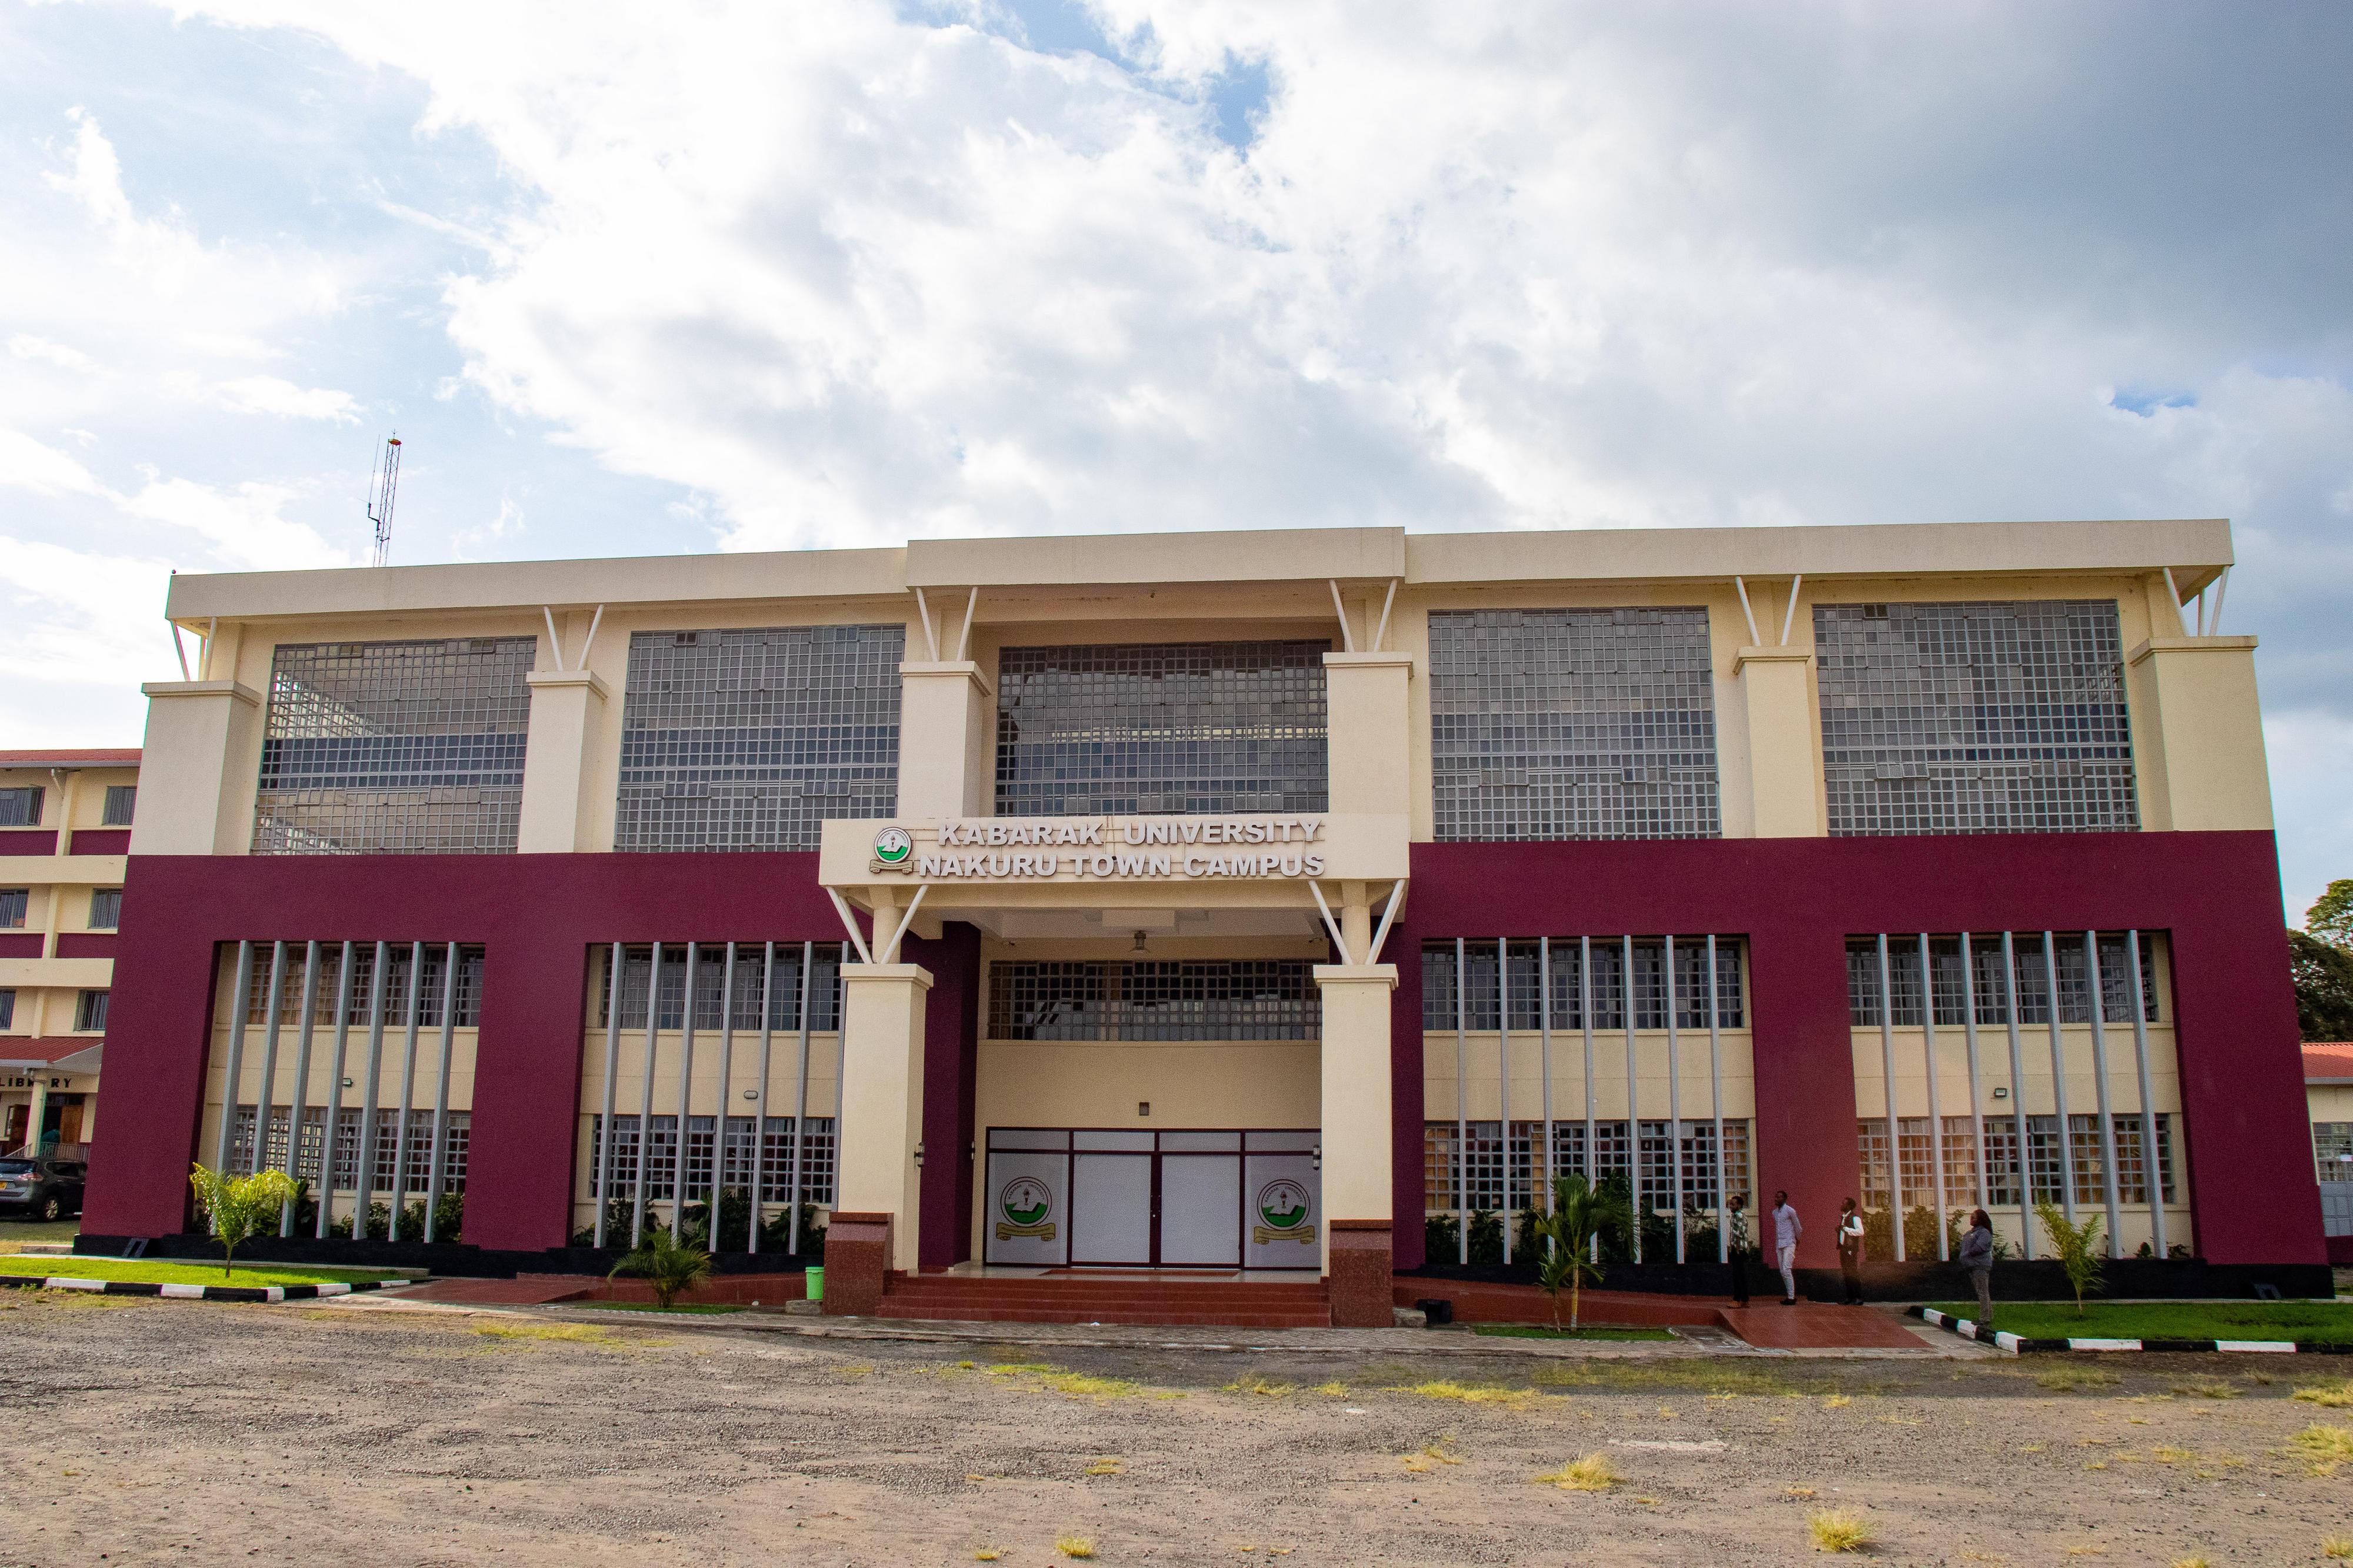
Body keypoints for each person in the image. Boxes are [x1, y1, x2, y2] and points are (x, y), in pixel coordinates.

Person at [1959, 1207, 1996, 1325]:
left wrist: (1968, 1254)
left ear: (1980, 1219)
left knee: (1982, 1292)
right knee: (1982, 1291)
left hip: (1979, 1265)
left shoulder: (1984, 1232)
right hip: (1972, 1266)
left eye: (1974, 1217)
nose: (1971, 1219)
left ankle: (1985, 1318)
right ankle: (1988, 1316)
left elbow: (1980, 1247)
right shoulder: (1972, 1232)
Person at [1770, 1190, 1802, 1305]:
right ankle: (1790, 1295)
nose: (1776, 1199)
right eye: (1776, 1197)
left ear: (1784, 1199)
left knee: (1786, 1269)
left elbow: (1798, 1227)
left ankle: (1791, 1297)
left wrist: (1797, 1240)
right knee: (1782, 1271)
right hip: (1780, 1244)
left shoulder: (1790, 1211)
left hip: (1789, 1242)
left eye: (1779, 1197)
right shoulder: (1775, 1213)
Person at [1837, 1198, 1866, 1305]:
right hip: (1844, 1248)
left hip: (1850, 1249)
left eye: (1844, 1203)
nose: (1841, 1205)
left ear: (1849, 1206)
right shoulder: (1845, 1217)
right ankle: (1849, 1297)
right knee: (1846, 1273)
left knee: (1853, 1272)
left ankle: (1858, 1297)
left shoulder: (1855, 1218)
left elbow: (1861, 1232)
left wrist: (1847, 1230)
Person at [1725, 1193, 1751, 1306]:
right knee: (1741, 1275)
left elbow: (1739, 1233)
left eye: (1734, 1204)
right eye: (1731, 1204)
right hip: (1737, 1248)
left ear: (1740, 1206)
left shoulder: (1739, 1216)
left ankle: (1737, 1300)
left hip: (1739, 1249)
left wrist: (1736, 1248)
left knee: (1738, 1275)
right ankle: (1744, 1300)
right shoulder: (1735, 1216)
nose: (1731, 1206)